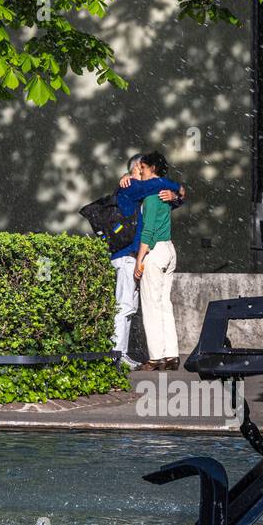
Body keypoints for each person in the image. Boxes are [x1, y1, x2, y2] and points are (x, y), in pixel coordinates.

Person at [113, 156, 184, 368]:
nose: (140, 171)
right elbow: (178, 191)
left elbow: (148, 231)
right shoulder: (164, 195)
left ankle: (155, 357)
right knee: (164, 304)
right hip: (169, 249)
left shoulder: (153, 195)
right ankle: (172, 354)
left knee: (152, 306)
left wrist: (140, 259)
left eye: (142, 167)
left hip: (154, 251)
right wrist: (177, 192)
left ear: (150, 168)